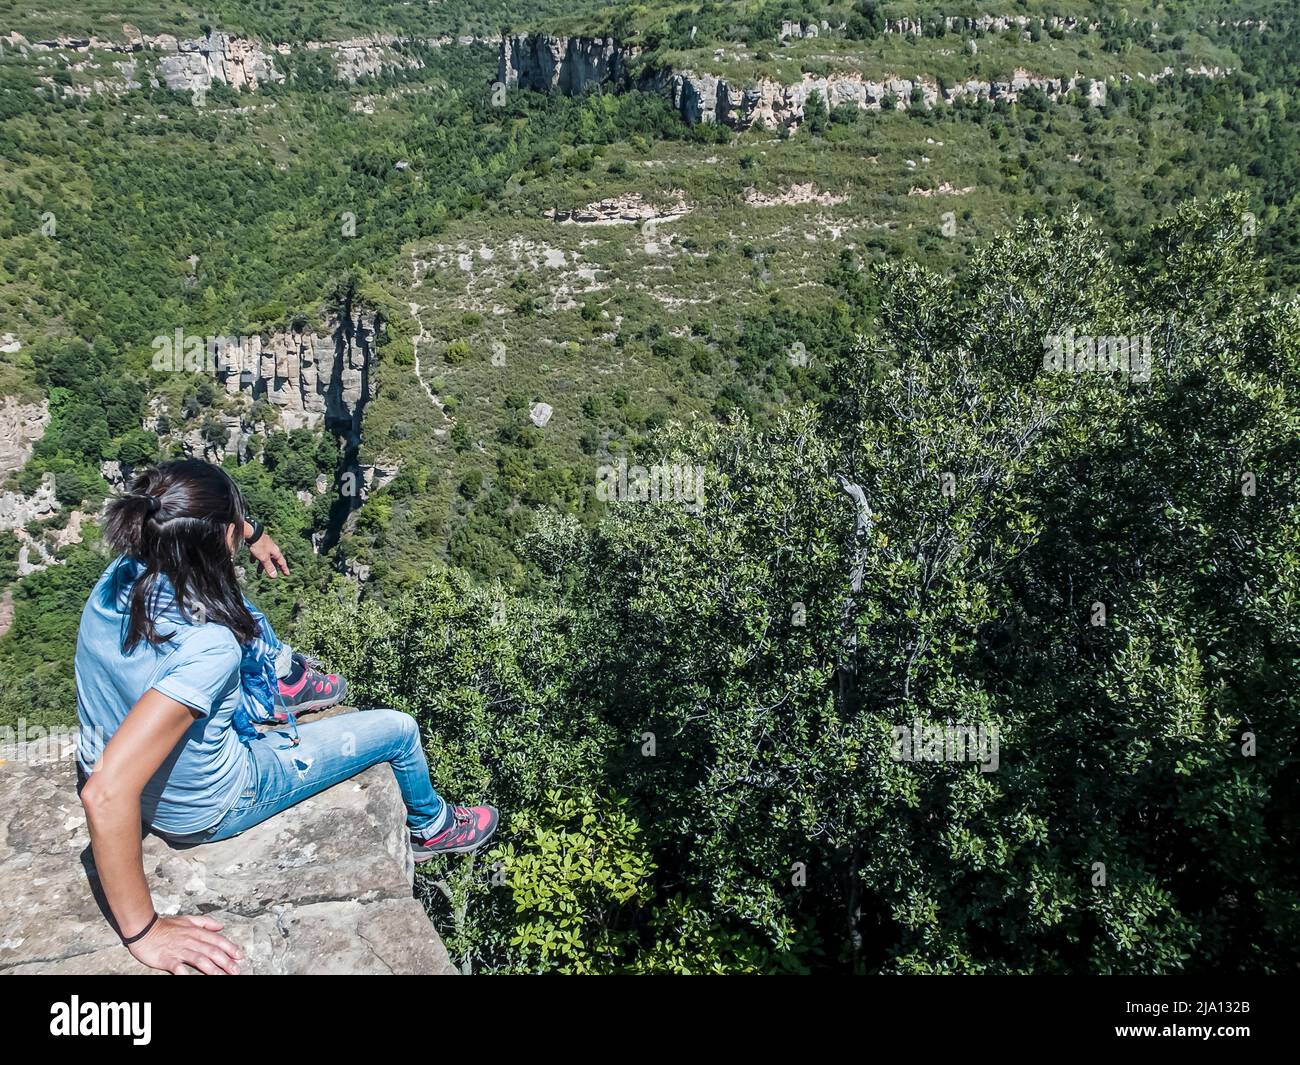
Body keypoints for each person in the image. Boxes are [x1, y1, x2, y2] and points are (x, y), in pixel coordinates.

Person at [75, 458, 498, 975]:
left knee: (237, 606)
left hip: (125, 757)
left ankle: (284, 677)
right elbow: (105, 793)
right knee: (399, 730)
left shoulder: (120, 576)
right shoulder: (208, 647)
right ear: (219, 536)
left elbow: (201, 551)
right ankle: (431, 827)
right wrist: (144, 930)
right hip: (210, 804)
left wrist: (250, 532)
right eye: (236, 523)